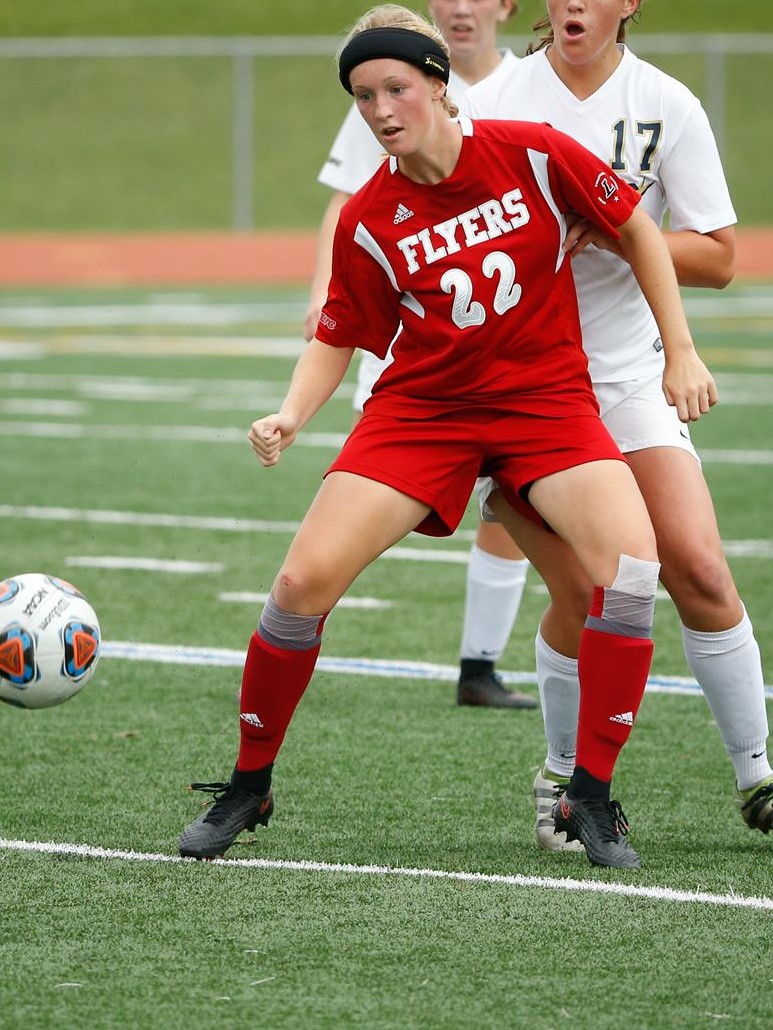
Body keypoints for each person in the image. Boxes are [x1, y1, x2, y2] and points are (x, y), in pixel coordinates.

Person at [179, 4, 717, 869]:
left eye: (395, 86)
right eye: (362, 96)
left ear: (437, 82)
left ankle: (591, 795)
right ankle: (249, 783)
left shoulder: (534, 152)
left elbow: (637, 231)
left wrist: (678, 352)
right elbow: (338, 334)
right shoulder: (367, 216)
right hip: (423, 413)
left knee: (629, 572)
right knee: (298, 582)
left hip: (544, 403)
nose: (381, 109)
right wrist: (290, 413)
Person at [463, 0, 773, 850]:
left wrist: (618, 225)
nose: (572, 4)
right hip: (523, 389)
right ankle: (564, 780)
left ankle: (758, 778)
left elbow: (716, 256)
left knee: (701, 571)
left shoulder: (666, 104)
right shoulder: (494, 101)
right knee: (587, 590)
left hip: (629, 377)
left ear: (626, 3)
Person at [305, 0, 536, 710]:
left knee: (511, 509)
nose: (460, 9)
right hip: (417, 350)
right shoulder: (383, 87)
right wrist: (323, 294)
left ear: (506, 7)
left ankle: (479, 665)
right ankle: (302, 616)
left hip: (506, 350)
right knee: (367, 509)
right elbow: (349, 203)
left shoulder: (528, 90)